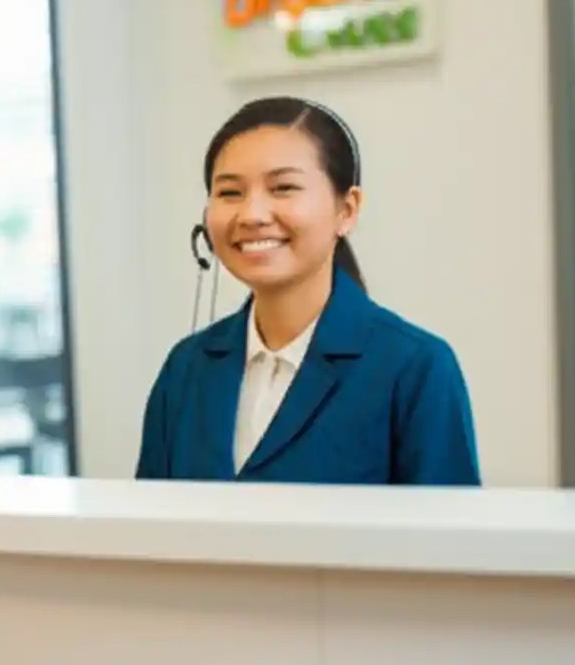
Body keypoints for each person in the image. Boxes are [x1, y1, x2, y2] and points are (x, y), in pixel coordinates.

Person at [135, 96, 481, 485]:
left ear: (347, 210)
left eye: (283, 187)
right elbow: (151, 533)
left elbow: (445, 542)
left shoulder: (415, 367)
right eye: (230, 193)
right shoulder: (185, 368)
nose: (252, 215)